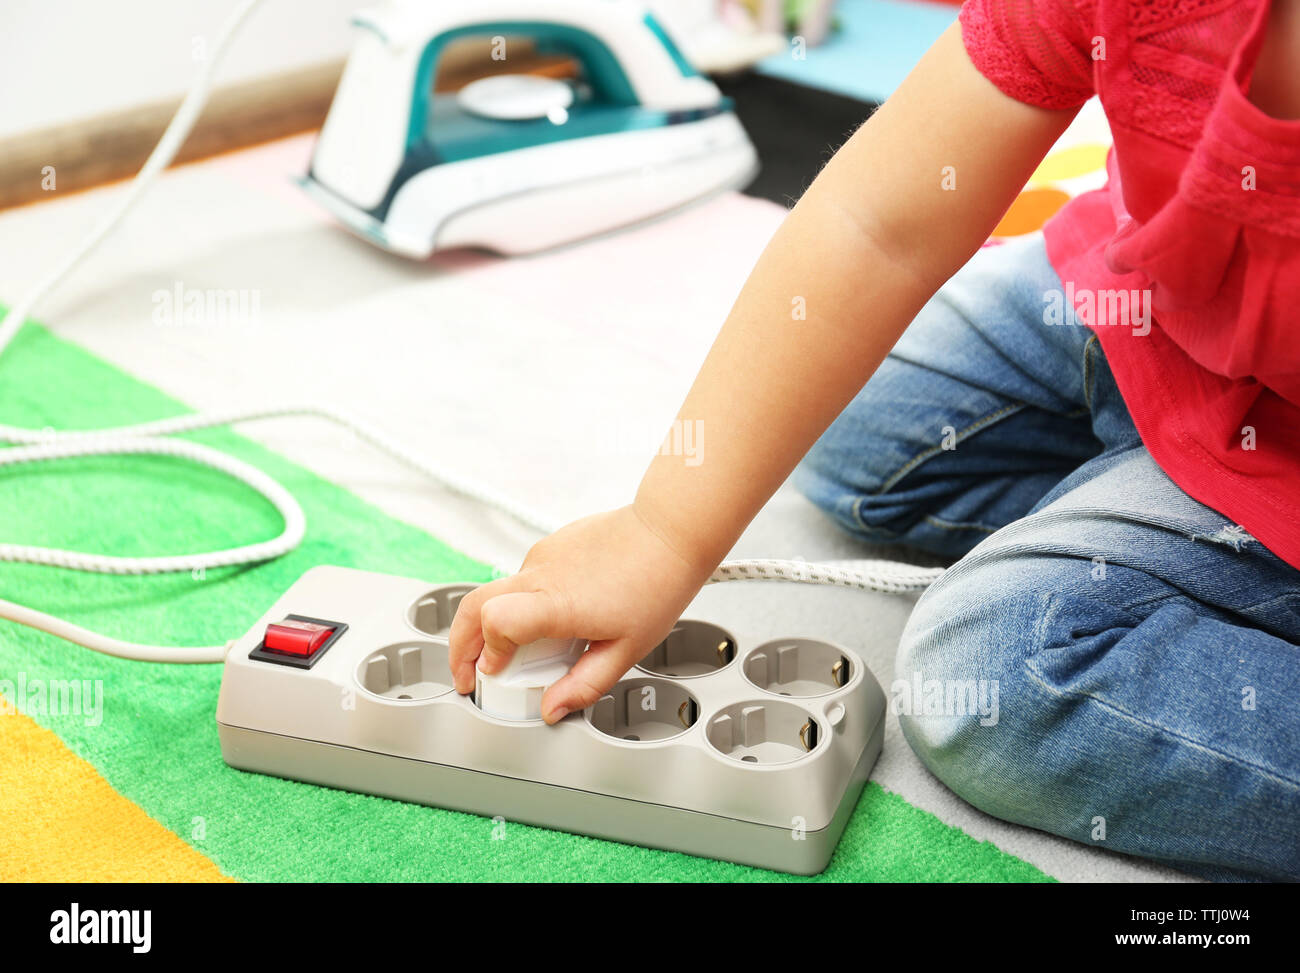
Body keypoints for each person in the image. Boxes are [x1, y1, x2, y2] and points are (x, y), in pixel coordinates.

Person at [449, 0, 1300, 881]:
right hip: (1158, 303)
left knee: (1000, 668)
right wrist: (664, 530)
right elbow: (879, 224)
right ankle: (1148, 496)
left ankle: (1166, 526)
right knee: (845, 422)